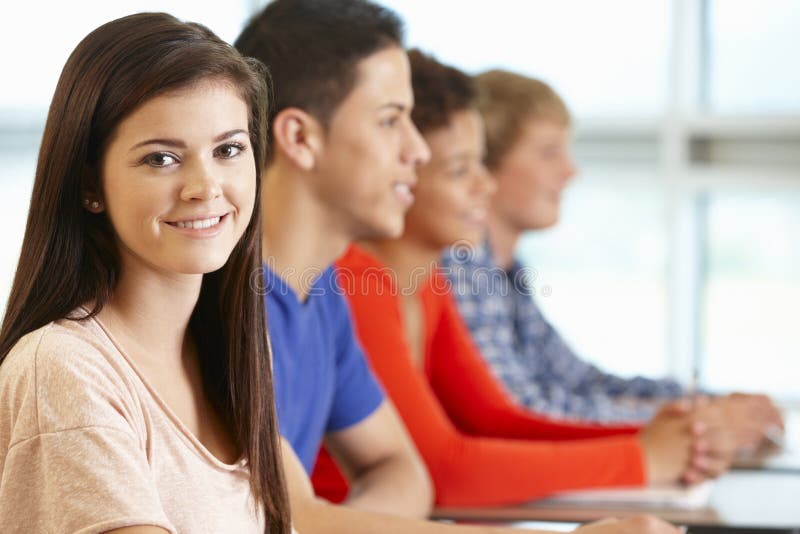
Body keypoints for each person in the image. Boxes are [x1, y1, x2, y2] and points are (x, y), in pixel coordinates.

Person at [236, 1, 682, 533]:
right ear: (300, 138)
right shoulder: (227, 300)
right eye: (389, 121)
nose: (417, 149)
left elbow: (404, 473)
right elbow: (293, 519)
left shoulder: (326, 290)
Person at [315, 49, 734, 508]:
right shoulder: (358, 285)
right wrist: (642, 458)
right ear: (404, 174)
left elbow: (494, 417)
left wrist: (666, 438)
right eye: (460, 170)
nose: (486, 185)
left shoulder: (428, 282)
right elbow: (445, 468)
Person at [0, 13, 291, 534]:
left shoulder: (234, 349)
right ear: (90, 184)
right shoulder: (63, 371)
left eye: (228, 149)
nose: (205, 186)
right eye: (161, 159)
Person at [441, 69, 783, 447]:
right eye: (549, 152)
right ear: (484, 163)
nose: (570, 172)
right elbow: (521, 408)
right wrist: (700, 423)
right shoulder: (462, 263)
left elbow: (577, 380)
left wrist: (704, 404)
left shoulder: (504, 270)